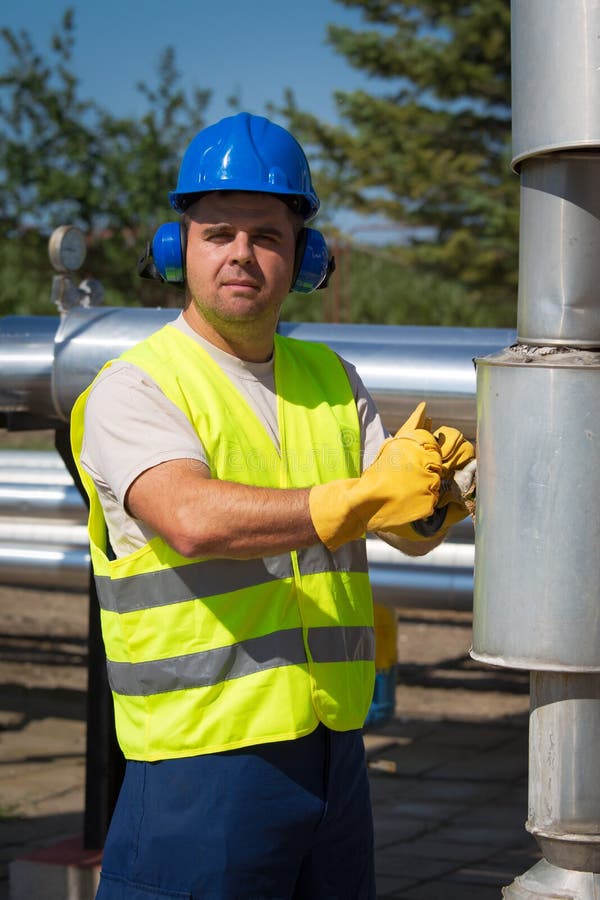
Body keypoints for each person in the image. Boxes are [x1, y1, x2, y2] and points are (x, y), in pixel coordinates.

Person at [70, 111, 475, 900]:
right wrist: (358, 496)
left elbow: (393, 525)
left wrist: (440, 501)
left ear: (305, 257)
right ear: (176, 248)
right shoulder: (137, 384)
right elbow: (190, 518)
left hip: (334, 751)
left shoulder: (333, 379)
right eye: (218, 232)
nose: (242, 256)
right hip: (201, 763)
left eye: (267, 235)